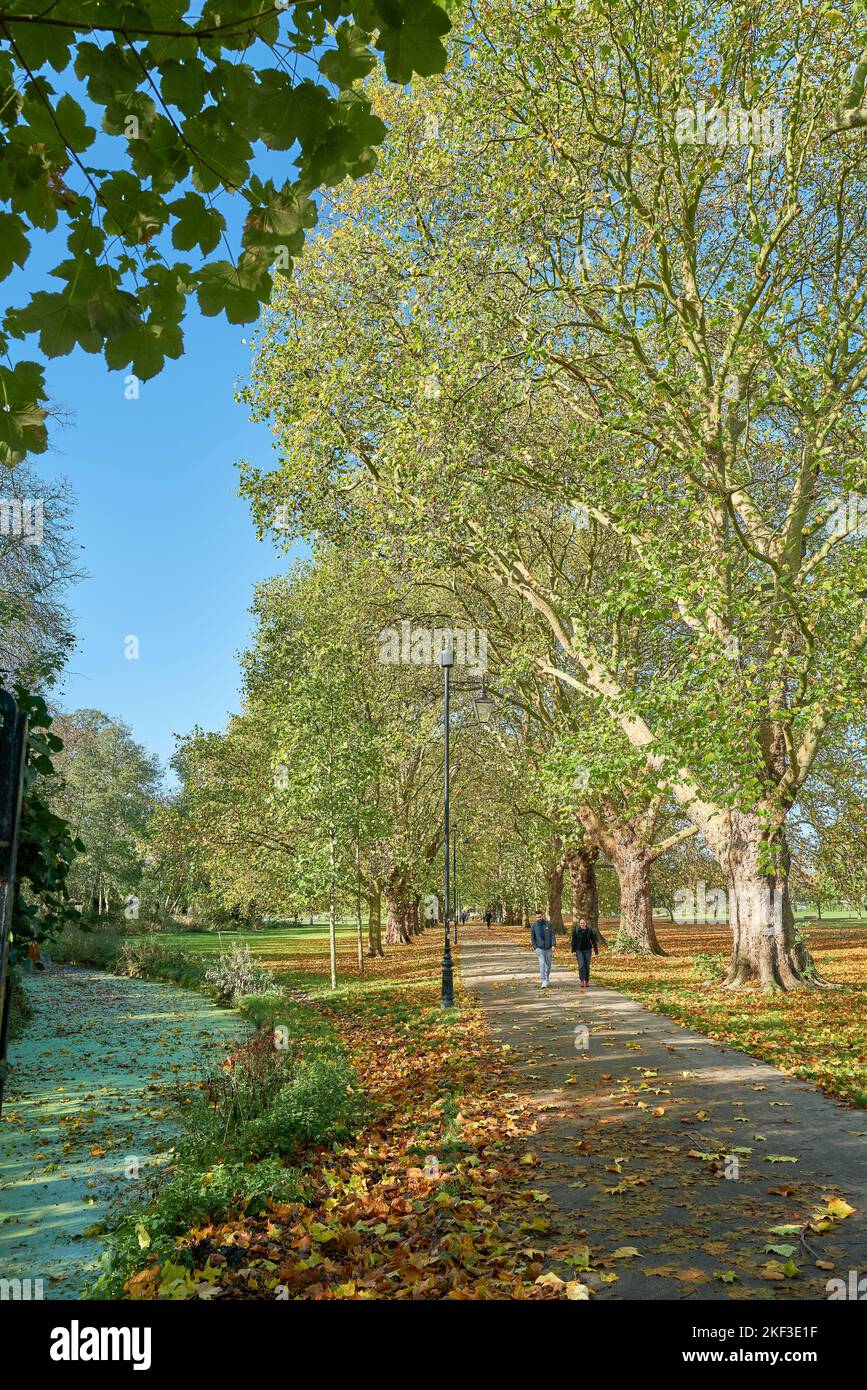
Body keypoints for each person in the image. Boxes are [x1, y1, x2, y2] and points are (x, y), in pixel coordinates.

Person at [570, 914, 599, 988]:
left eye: (584, 923)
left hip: (587, 950)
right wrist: (573, 951)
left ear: (586, 923)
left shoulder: (589, 930)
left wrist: (596, 951)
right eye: (581, 923)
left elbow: (593, 940)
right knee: (581, 965)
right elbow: (573, 941)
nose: (582, 924)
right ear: (579, 924)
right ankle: (582, 981)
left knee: (587, 966)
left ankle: (587, 980)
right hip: (579, 950)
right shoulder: (576, 930)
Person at [530, 911, 555, 989]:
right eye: (537, 917)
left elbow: (552, 935)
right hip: (539, 949)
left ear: (542, 916)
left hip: (548, 948)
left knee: (549, 965)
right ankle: (543, 980)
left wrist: (553, 945)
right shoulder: (534, 926)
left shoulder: (548, 924)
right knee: (542, 964)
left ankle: (547, 977)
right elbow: (532, 938)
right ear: (535, 917)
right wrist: (535, 947)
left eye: (540, 917)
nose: (539, 918)